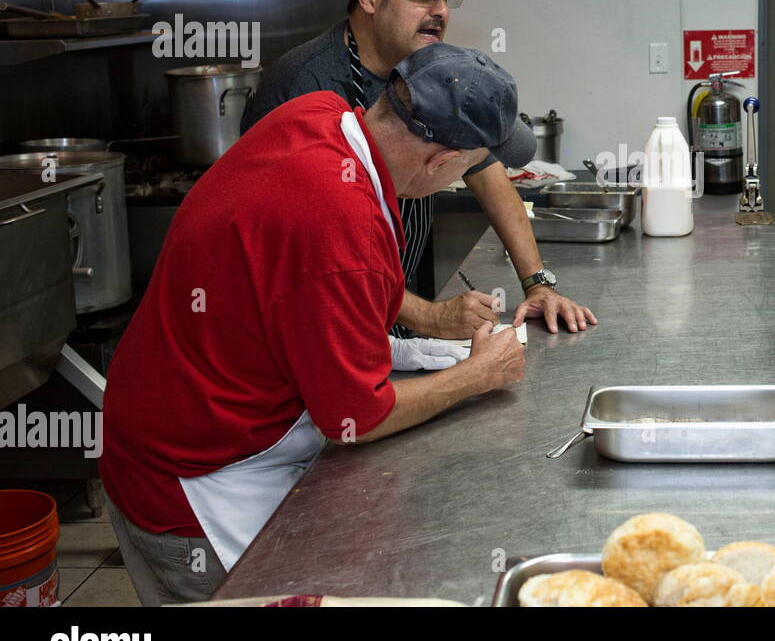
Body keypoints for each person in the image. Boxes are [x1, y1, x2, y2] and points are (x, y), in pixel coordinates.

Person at [101, 44, 531, 604]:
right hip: (193, 487)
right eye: (471, 163)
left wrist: (425, 317)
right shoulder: (337, 217)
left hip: (164, 416)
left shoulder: (319, 114)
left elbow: (312, 276)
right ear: (438, 162)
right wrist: (478, 375)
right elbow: (355, 416)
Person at [242, 0, 596, 337]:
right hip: (310, 317)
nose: (441, 10)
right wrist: (429, 317)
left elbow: (486, 168)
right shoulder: (307, 86)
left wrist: (537, 284)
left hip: (384, 302)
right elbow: (308, 251)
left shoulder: (432, 70)